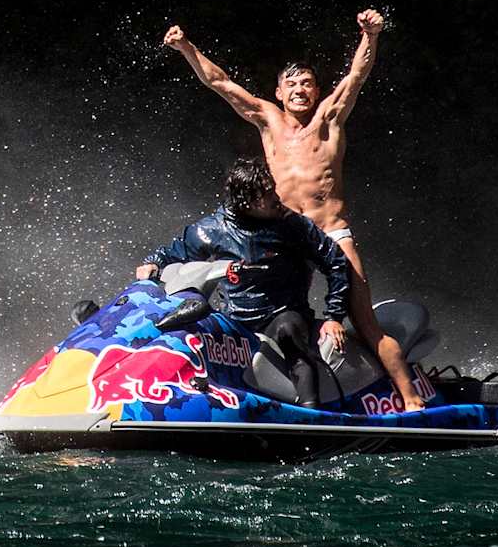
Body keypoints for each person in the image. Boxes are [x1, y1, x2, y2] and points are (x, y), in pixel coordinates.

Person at [161, 8, 426, 410]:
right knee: (274, 313)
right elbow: (220, 83)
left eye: (307, 83)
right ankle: (269, 389)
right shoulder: (268, 120)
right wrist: (185, 47)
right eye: (292, 84)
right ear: (279, 92)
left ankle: (409, 398)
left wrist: (371, 37)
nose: (301, 89)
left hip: (331, 233)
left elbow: (356, 77)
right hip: (285, 237)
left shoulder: (329, 119)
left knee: (364, 322)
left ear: (316, 91)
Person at [136, 158, 350, 408]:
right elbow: (176, 251)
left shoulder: (292, 225)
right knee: (192, 324)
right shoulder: (213, 228)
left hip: (283, 316)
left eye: (273, 189)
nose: (276, 197)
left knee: (288, 330)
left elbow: (335, 261)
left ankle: (311, 412)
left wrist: (334, 316)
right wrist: (153, 262)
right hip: (236, 320)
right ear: (246, 202)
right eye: (267, 194)